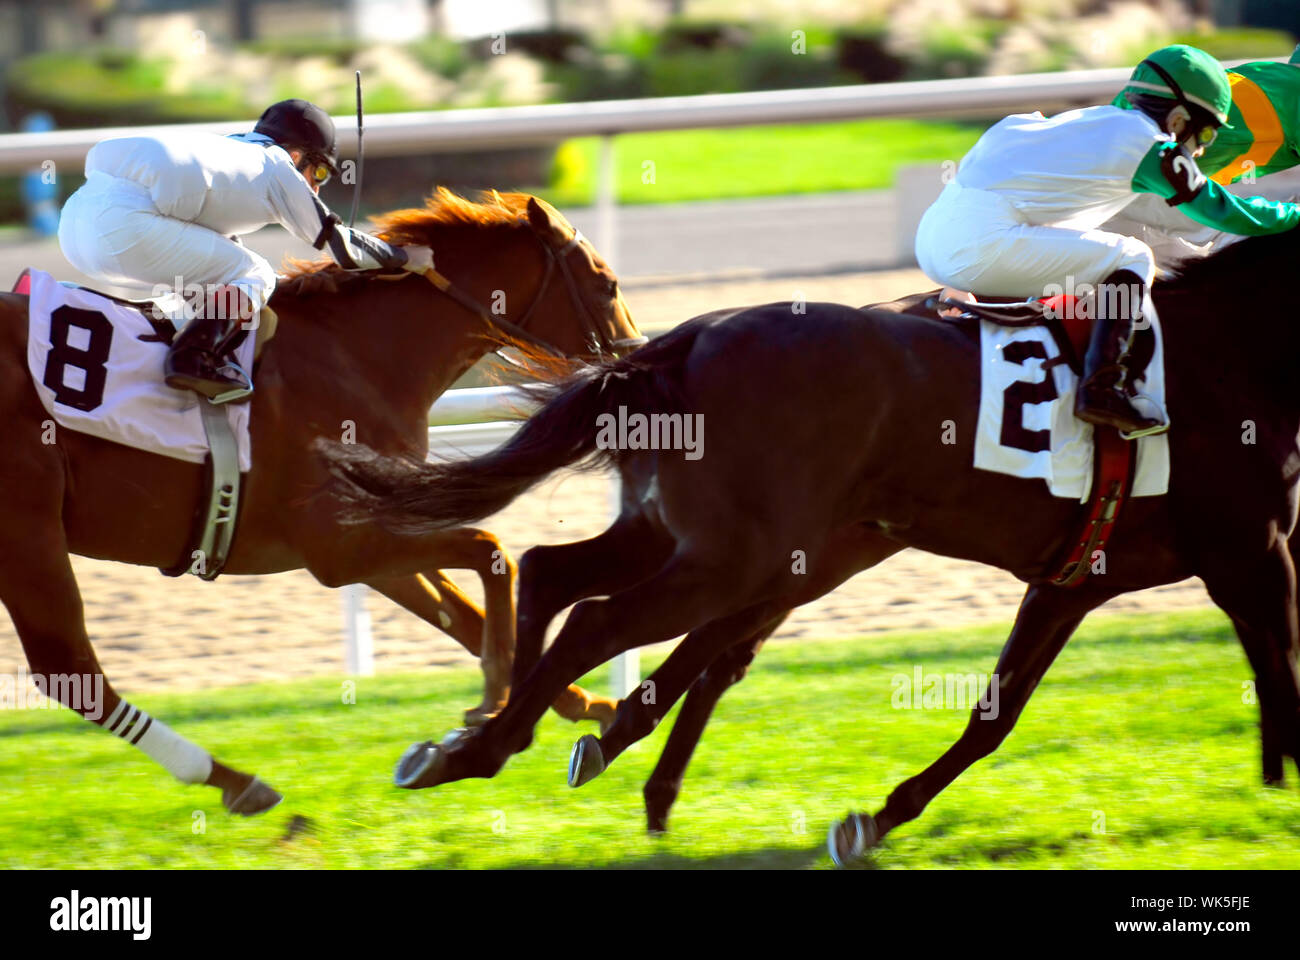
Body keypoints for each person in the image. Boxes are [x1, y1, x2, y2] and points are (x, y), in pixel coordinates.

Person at [915, 44, 1300, 437]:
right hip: (978, 248)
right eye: (1202, 133)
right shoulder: (1151, 146)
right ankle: (1102, 388)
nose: (1201, 149)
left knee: (1097, 245)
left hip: (931, 237)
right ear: (1179, 118)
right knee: (1133, 255)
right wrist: (1295, 215)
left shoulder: (1092, 119)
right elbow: (1217, 211)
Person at [57, 99, 435, 403]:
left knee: (222, 273)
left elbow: (213, 248)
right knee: (256, 273)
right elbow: (342, 247)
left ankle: (162, 340)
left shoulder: (232, 150)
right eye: (318, 174)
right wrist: (407, 257)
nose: (316, 189)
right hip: (123, 227)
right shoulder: (278, 166)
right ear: (298, 154)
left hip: (73, 225)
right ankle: (193, 357)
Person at [1106, 44, 1300, 265]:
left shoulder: (1268, 72)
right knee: (1242, 242)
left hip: (1117, 171)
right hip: (1154, 182)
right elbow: (1222, 212)